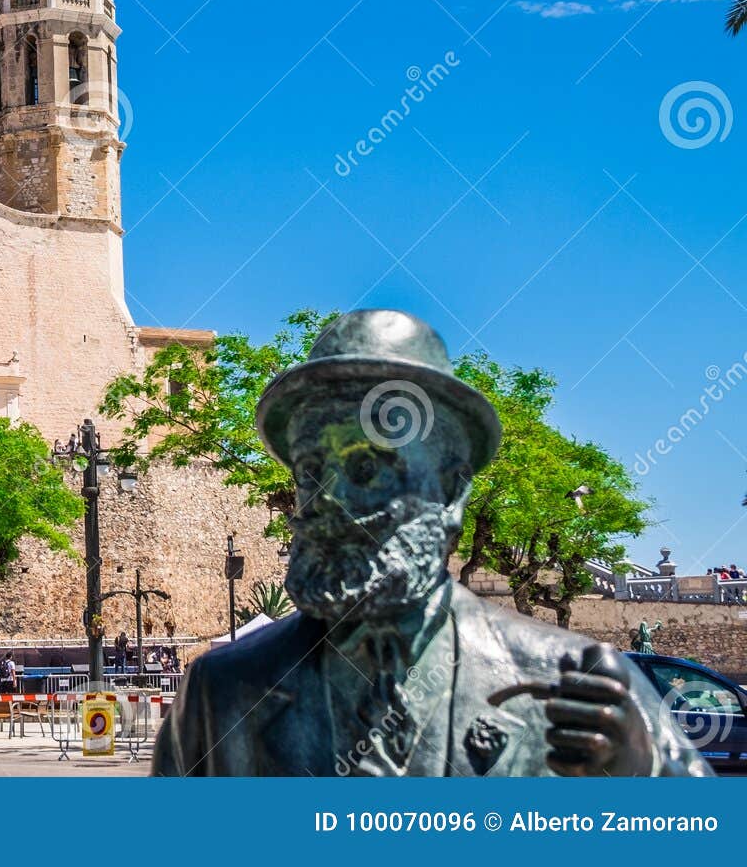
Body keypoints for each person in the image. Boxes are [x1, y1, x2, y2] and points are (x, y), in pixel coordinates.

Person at [154, 310, 709, 778]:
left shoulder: (571, 679)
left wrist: (640, 780)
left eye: (367, 468)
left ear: (449, 490)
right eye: (309, 472)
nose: (326, 500)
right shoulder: (219, 693)